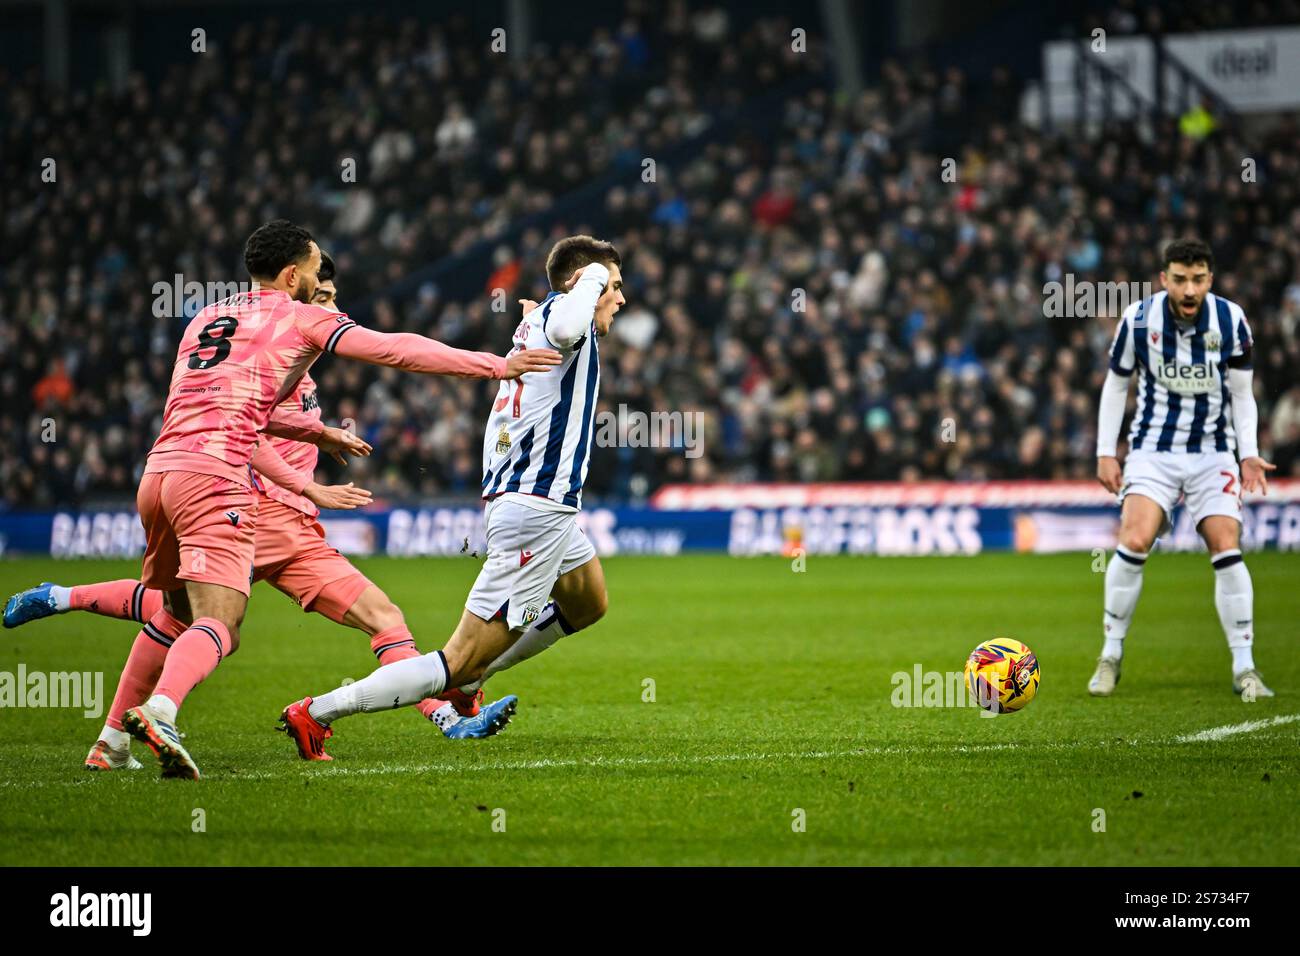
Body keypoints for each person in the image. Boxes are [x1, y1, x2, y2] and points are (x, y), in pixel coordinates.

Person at [278, 235, 624, 760]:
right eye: (613, 287)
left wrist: (569, 293)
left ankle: (464, 683)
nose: (620, 299)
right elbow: (569, 324)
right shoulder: (564, 321)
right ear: (583, 285)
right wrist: (593, 277)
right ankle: (317, 712)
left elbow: (556, 321)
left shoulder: (541, 319)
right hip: (536, 510)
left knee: (588, 599)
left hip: (539, 507)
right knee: (458, 657)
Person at [1092, 238, 1276, 701]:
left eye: (1197, 279)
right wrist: (1105, 452)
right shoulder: (1137, 321)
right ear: (1164, 279)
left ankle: (1245, 667)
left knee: (1225, 543)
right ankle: (1110, 654)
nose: (1189, 289)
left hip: (1213, 451)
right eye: (1179, 279)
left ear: (1209, 280)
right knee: (1134, 539)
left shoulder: (1231, 320)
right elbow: (1116, 387)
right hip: (1153, 449)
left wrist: (1248, 452)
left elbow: (1241, 395)